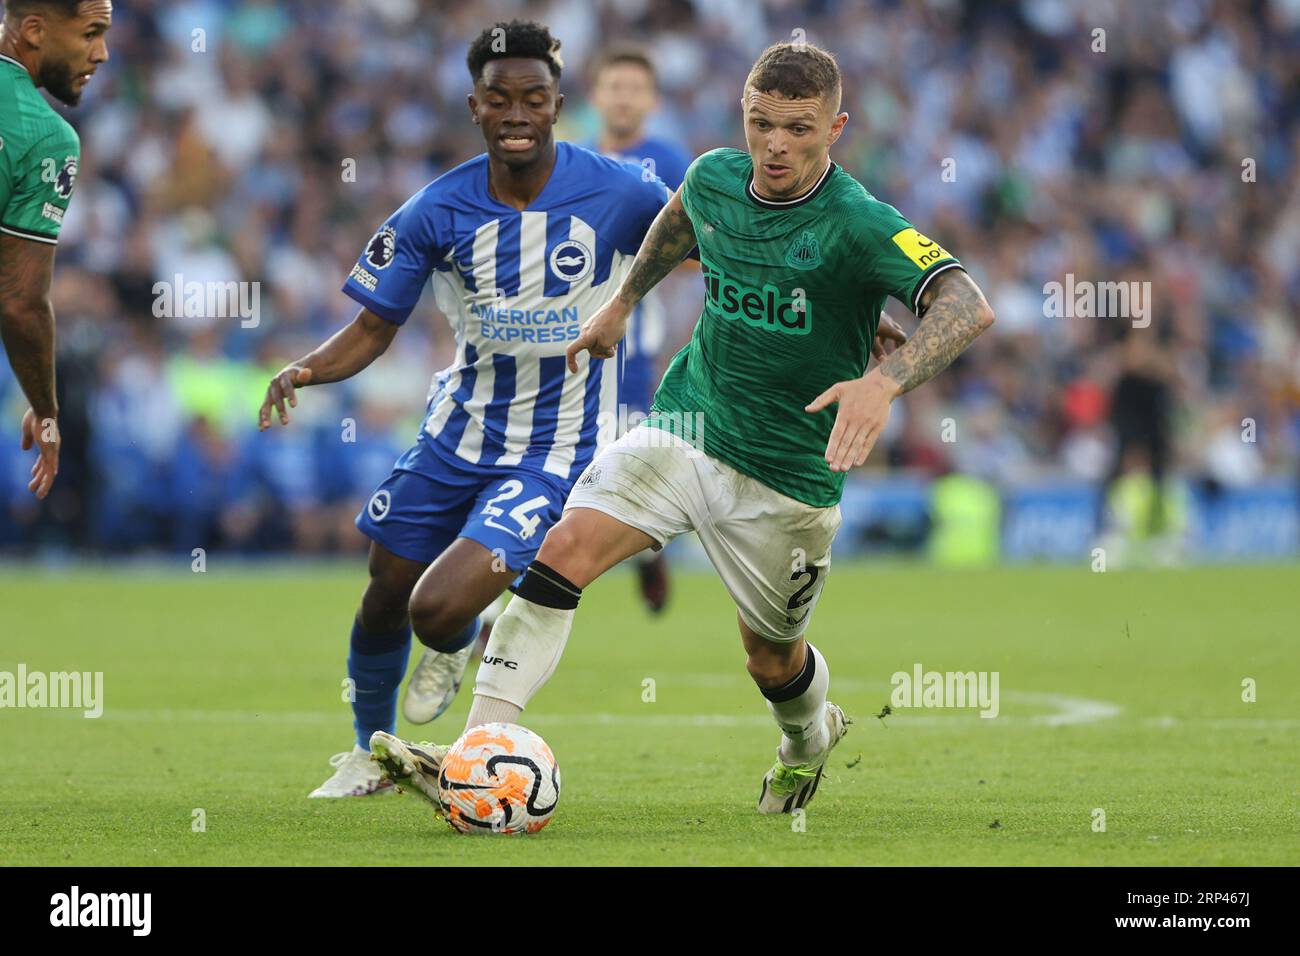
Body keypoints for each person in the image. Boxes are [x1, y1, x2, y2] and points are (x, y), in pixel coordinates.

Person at [371, 40, 994, 814]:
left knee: (771, 660)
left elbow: (967, 304)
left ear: (836, 127)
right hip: (689, 425)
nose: (775, 145)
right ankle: (476, 756)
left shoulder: (859, 222)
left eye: (799, 129)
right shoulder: (713, 177)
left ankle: (806, 741)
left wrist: (882, 383)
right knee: (561, 549)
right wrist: (622, 303)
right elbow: (678, 220)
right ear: (743, 113)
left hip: (788, 475)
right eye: (762, 123)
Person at [257, 20, 681, 798]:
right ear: (474, 107)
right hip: (457, 434)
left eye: (534, 98)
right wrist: (306, 369)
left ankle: (451, 642)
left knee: (434, 608)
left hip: (556, 449)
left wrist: (829, 304)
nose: (516, 113)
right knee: (384, 589)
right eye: (499, 99)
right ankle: (369, 755)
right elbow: (373, 327)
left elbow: (707, 241)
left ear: (559, 106)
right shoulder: (435, 210)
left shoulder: (621, 191)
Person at [584, 44, 693, 614]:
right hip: (560, 335)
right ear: (595, 95)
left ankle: (648, 554)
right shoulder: (572, 161)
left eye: (634, 88)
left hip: (627, 346)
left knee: (618, 467)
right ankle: (496, 610)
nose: (623, 97)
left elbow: (697, 244)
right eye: (613, 86)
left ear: (650, 100)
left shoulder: (670, 162)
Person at [0, 0, 112, 500]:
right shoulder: (45, 137)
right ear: (35, 31)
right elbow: (20, 302)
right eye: (91, 33)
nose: (103, 53)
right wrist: (46, 410)